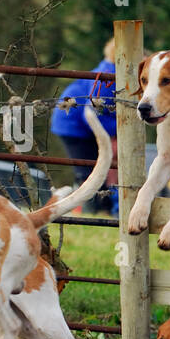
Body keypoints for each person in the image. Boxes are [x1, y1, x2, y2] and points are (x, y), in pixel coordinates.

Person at [50, 38, 118, 214]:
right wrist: (124, 128)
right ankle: (91, 210)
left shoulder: (109, 72)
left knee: (95, 168)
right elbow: (97, 114)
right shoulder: (107, 76)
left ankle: (97, 209)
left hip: (77, 124)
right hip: (74, 126)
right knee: (89, 170)